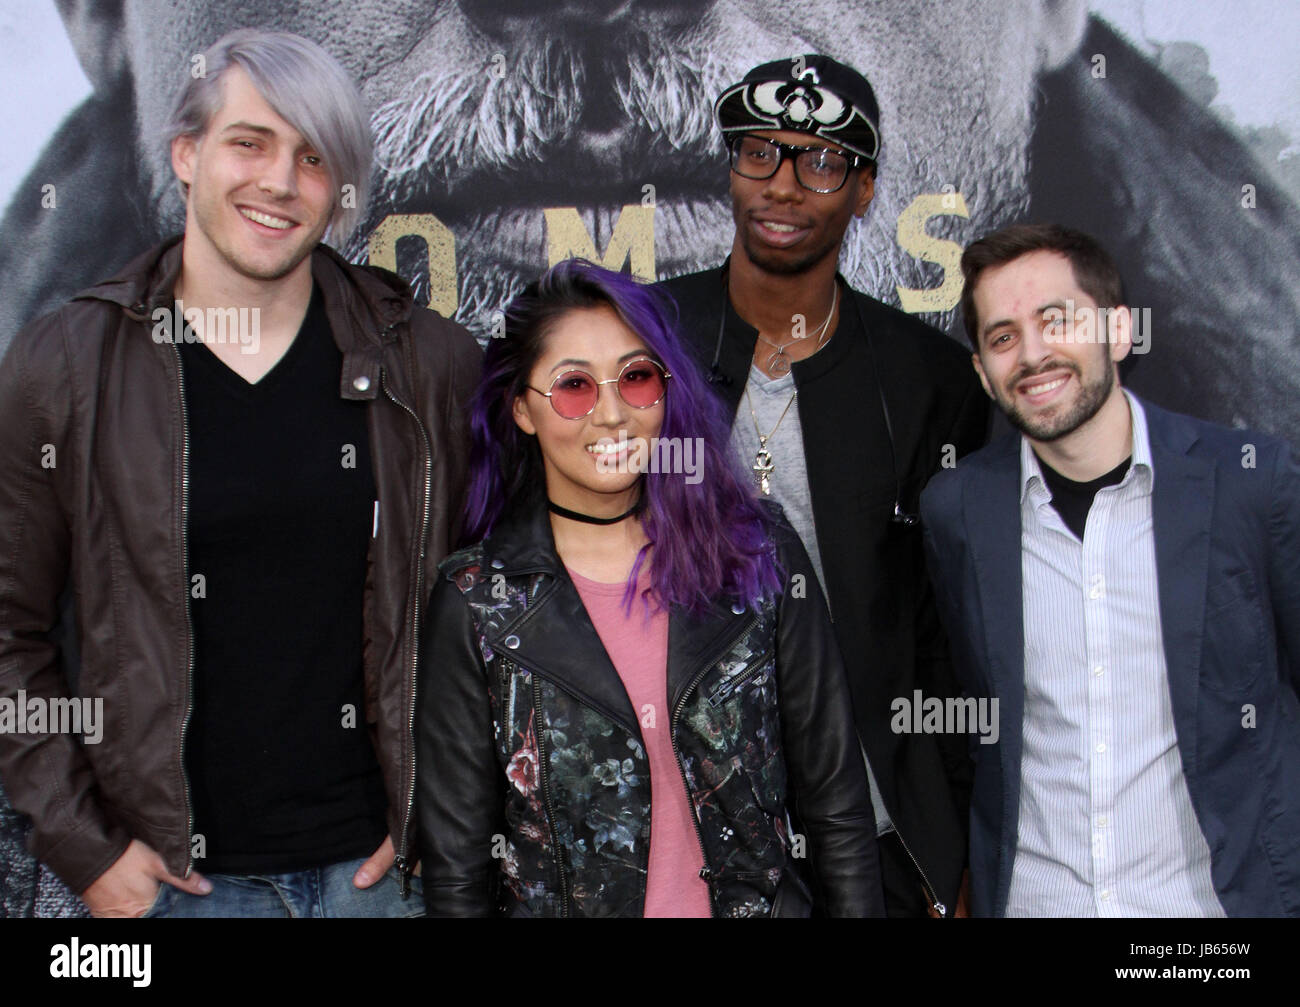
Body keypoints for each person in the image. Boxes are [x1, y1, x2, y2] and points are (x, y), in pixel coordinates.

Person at [0, 29, 481, 917]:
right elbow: (8, 634)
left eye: (312, 156)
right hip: (172, 890)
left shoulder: (428, 362)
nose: (279, 182)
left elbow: (498, 607)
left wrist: (434, 814)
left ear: (339, 191)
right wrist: (83, 846)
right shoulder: (66, 363)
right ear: (185, 154)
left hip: (378, 884)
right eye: (248, 142)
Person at [415, 259, 881, 917]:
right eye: (573, 386)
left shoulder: (756, 553)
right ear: (522, 408)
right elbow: (459, 874)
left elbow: (835, 806)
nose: (612, 415)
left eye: (636, 378)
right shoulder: (477, 599)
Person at [658, 55, 988, 917]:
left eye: (822, 161)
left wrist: (948, 841)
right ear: (730, 168)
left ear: (866, 189)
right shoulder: (640, 342)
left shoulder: (927, 378)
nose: (785, 186)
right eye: (760, 152)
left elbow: (953, 629)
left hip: (870, 835)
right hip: (676, 827)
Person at [921, 223, 1300, 917]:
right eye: (1003, 337)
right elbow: (967, 718)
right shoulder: (957, 510)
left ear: (1119, 330)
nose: (1033, 354)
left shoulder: (1250, 482)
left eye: (1055, 320)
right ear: (982, 372)